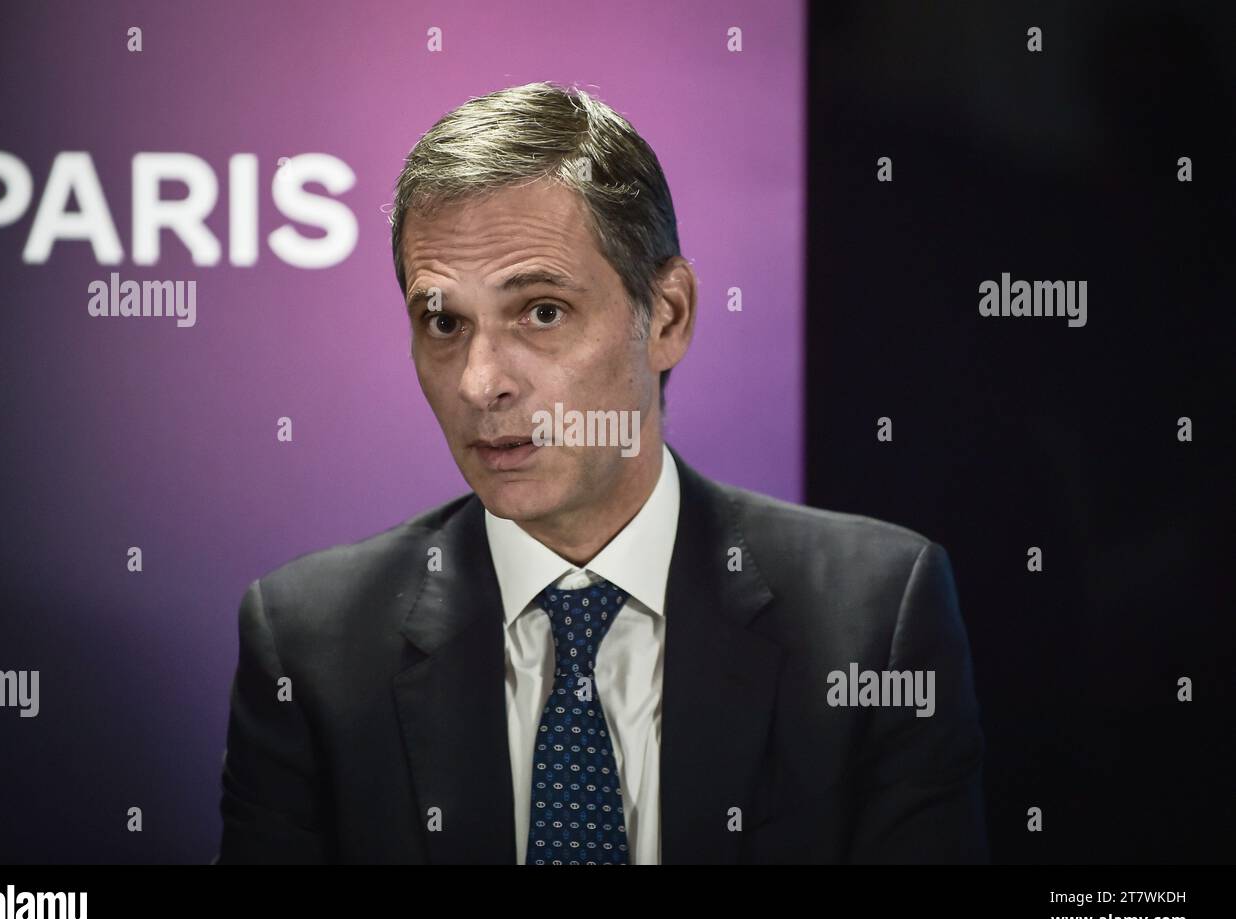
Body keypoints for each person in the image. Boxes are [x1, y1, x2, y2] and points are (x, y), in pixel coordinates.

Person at [215, 81, 987, 864]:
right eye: (444, 322)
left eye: (542, 311)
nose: (481, 382)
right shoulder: (310, 646)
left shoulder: (875, 617)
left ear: (669, 316)